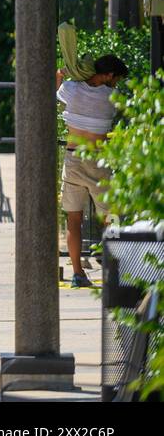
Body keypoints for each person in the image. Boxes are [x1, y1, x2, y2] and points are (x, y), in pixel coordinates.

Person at [57, 54, 128, 289]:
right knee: (112, 216)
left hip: (73, 157)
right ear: (108, 75)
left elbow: (58, 90)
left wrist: (62, 74)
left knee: (73, 219)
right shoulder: (113, 96)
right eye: (116, 78)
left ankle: (78, 274)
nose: (116, 83)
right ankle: (113, 272)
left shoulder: (71, 89)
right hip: (99, 160)